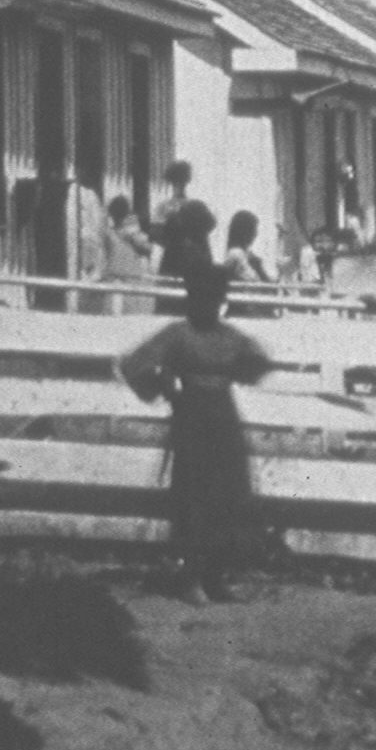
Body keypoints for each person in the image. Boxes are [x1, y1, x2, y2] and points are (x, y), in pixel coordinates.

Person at [121, 262, 272, 601]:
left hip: (223, 418)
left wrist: (241, 369)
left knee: (228, 495)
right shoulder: (178, 334)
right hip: (191, 418)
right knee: (194, 496)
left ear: (221, 300)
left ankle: (216, 576)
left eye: (213, 297)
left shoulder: (230, 337)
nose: (205, 304)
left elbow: (259, 361)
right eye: (199, 297)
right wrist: (165, 387)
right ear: (190, 298)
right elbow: (133, 363)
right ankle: (191, 579)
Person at [151, 160, 217, 295]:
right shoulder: (196, 206)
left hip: (172, 257)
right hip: (193, 259)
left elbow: (156, 235)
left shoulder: (164, 207)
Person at [92, 196, 155, 314]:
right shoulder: (129, 232)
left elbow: (103, 258)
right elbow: (148, 249)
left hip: (120, 280)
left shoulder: (114, 233)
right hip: (126, 280)